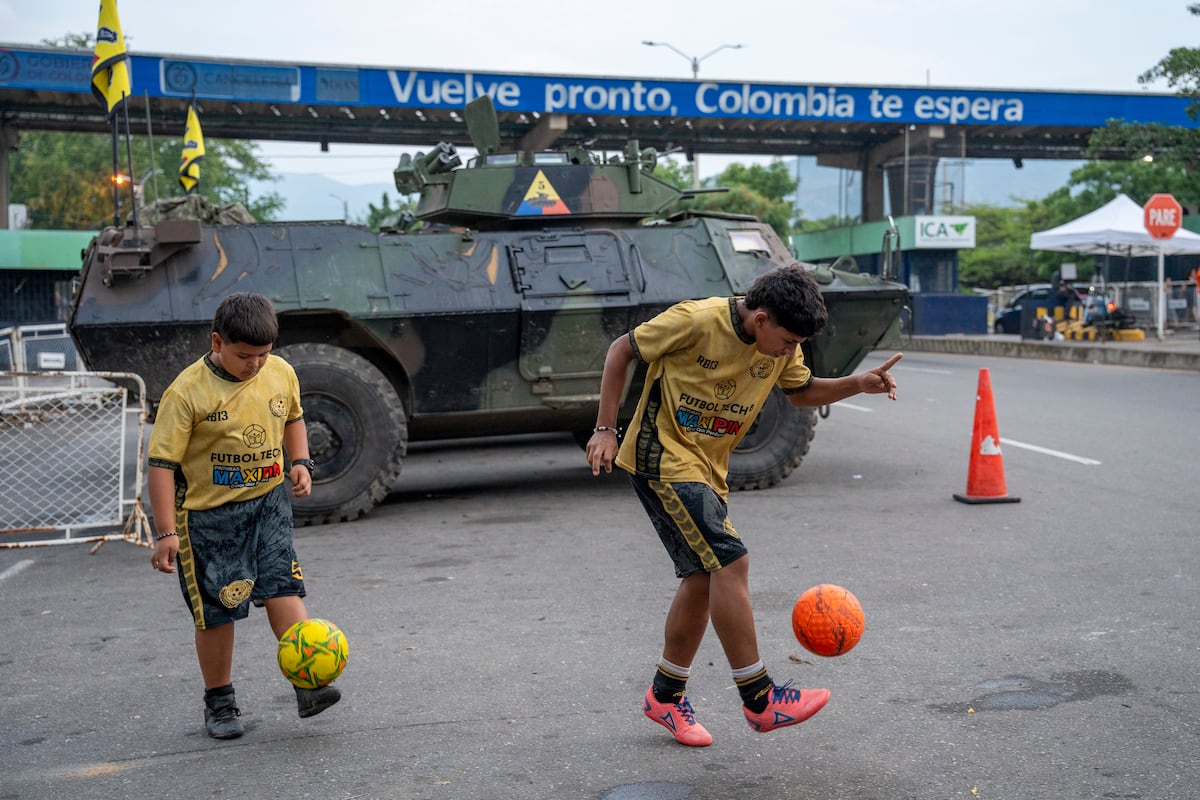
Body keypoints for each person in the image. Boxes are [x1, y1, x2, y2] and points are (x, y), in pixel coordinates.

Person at [586, 264, 902, 747]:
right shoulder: (695, 321)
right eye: (788, 339)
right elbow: (621, 350)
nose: (791, 350)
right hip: (662, 458)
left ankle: (665, 697)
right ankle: (760, 699)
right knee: (732, 561)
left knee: (701, 578)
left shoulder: (778, 347)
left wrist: (856, 383)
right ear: (759, 319)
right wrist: (605, 429)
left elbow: (801, 394)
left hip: (707, 468)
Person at [147, 292, 340, 740]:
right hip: (209, 518)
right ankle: (219, 701)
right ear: (217, 341)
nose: (255, 364)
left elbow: (293, 417)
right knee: (218, 612)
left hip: (269, 504)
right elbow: (161, 466)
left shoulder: (281, 372)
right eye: (244, 356)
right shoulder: (187, 392)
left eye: (263, 354)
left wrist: (300, 461)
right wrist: (165, 532)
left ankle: (307, 684)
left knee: (283, 588)